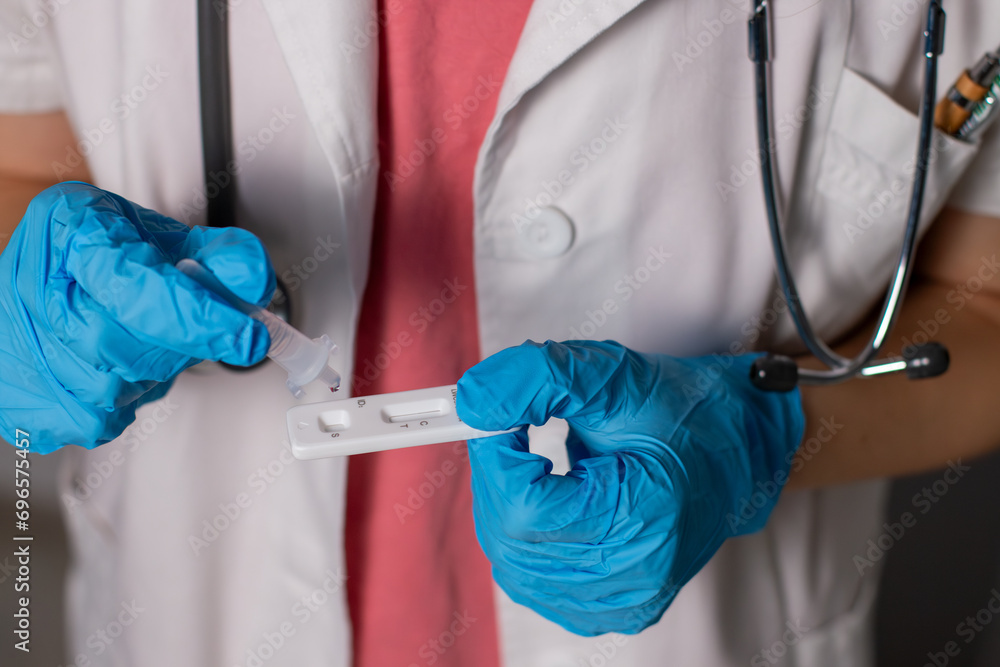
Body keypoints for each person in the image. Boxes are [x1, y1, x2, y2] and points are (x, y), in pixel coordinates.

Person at [1, 1, 1000, 665]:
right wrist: (47, 291)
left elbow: (983, 306)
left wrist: (757, 444)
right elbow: (23, 159)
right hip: (197, 606)